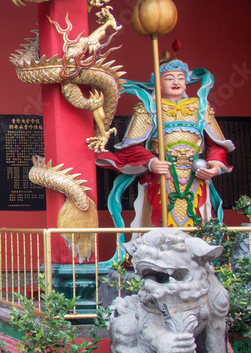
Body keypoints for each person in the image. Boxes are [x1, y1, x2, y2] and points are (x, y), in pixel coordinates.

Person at [98, 57, 232, 228]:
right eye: (169, 78)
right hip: (162, 176)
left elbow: (217, 145)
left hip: (196, 176)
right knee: (158, 228)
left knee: (199, 226)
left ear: (186, 82)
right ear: (158, 82)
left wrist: (214, 166)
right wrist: (151, 162)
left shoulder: (201, 108)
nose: (176, 82)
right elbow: (130, 148)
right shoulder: (148, 108)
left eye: (180, 78)